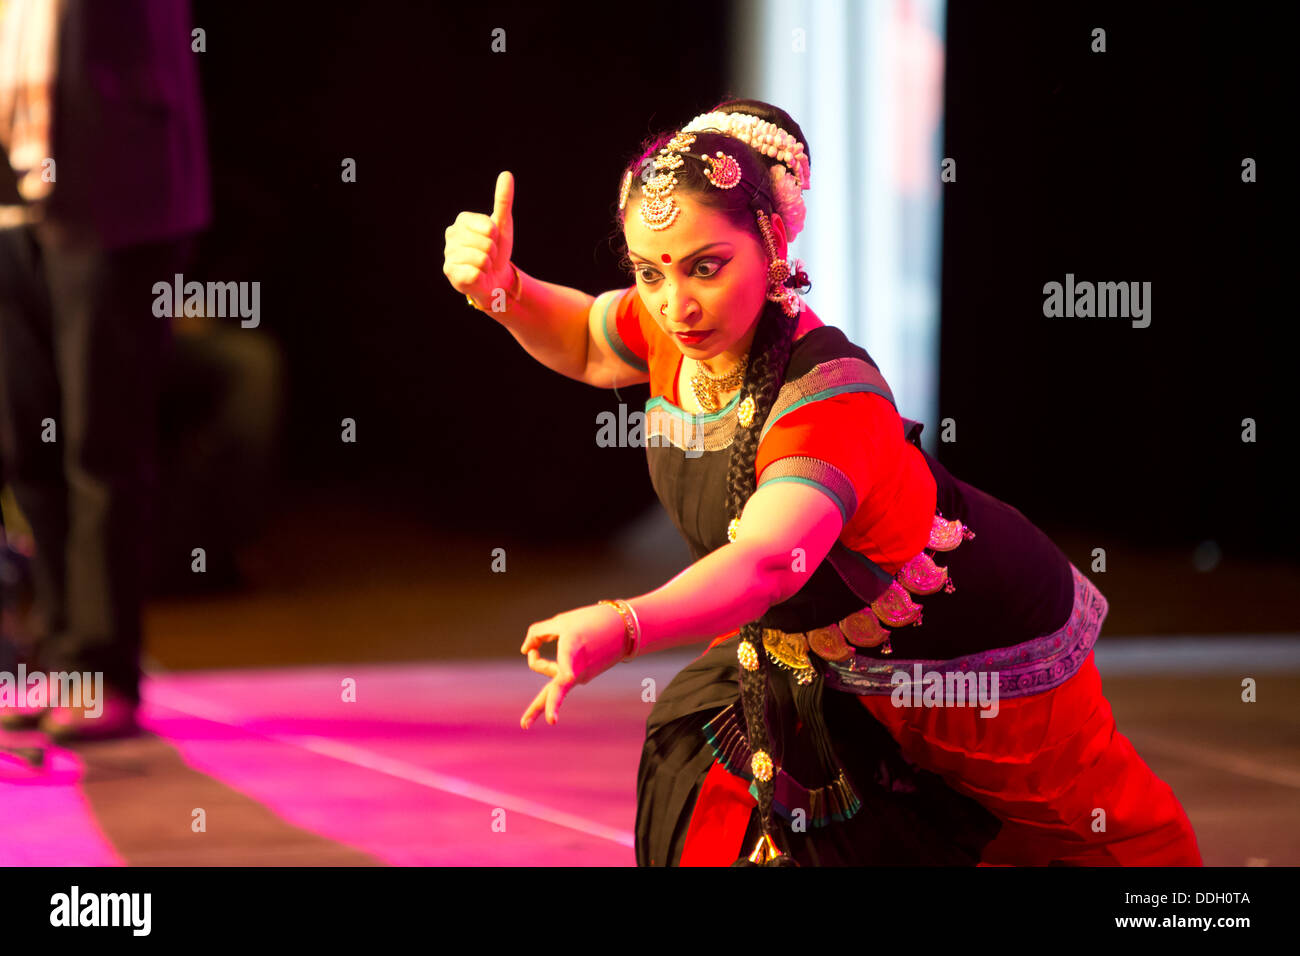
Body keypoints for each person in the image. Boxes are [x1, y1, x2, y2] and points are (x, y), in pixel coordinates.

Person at [442, 98, 1202, 867]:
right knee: (708, 777)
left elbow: (773, 560)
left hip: (961, 652)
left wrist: (625, 624)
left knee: (1095, 843)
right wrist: (502, 289)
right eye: (649, 271)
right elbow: (583, 339)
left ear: (771, 247)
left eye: (707, 265)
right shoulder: (679, 331)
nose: (675, 303)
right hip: (804, 641)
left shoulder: (830, 396)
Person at [0, 0, 210, 741]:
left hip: (112, 190)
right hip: (11, 199)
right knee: (29, 444)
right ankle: (56, 658)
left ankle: (103, 671)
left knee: (101, 444)